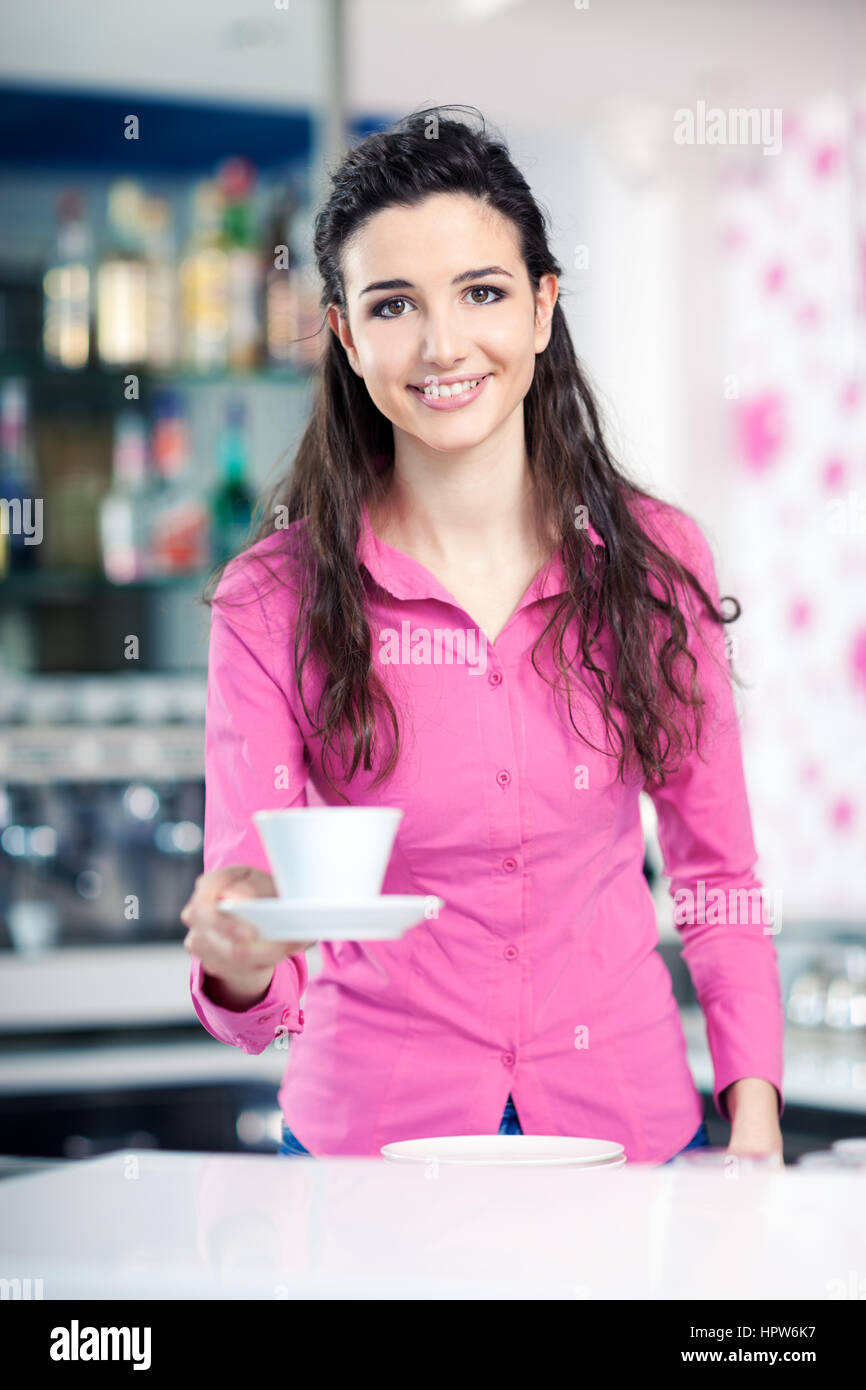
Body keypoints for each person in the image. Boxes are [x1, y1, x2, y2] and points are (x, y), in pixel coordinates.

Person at [181, 106, 784, 1165]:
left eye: (482, 292)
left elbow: (716, 874)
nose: (443, 344)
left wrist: (756, 1115)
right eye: (393, 304)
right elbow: (254, 965)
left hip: (624, 1135)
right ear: (345, 336)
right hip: (367, 1153)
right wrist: (237, 957)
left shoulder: (652, 558)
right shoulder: (266, 601)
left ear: (543, 307)